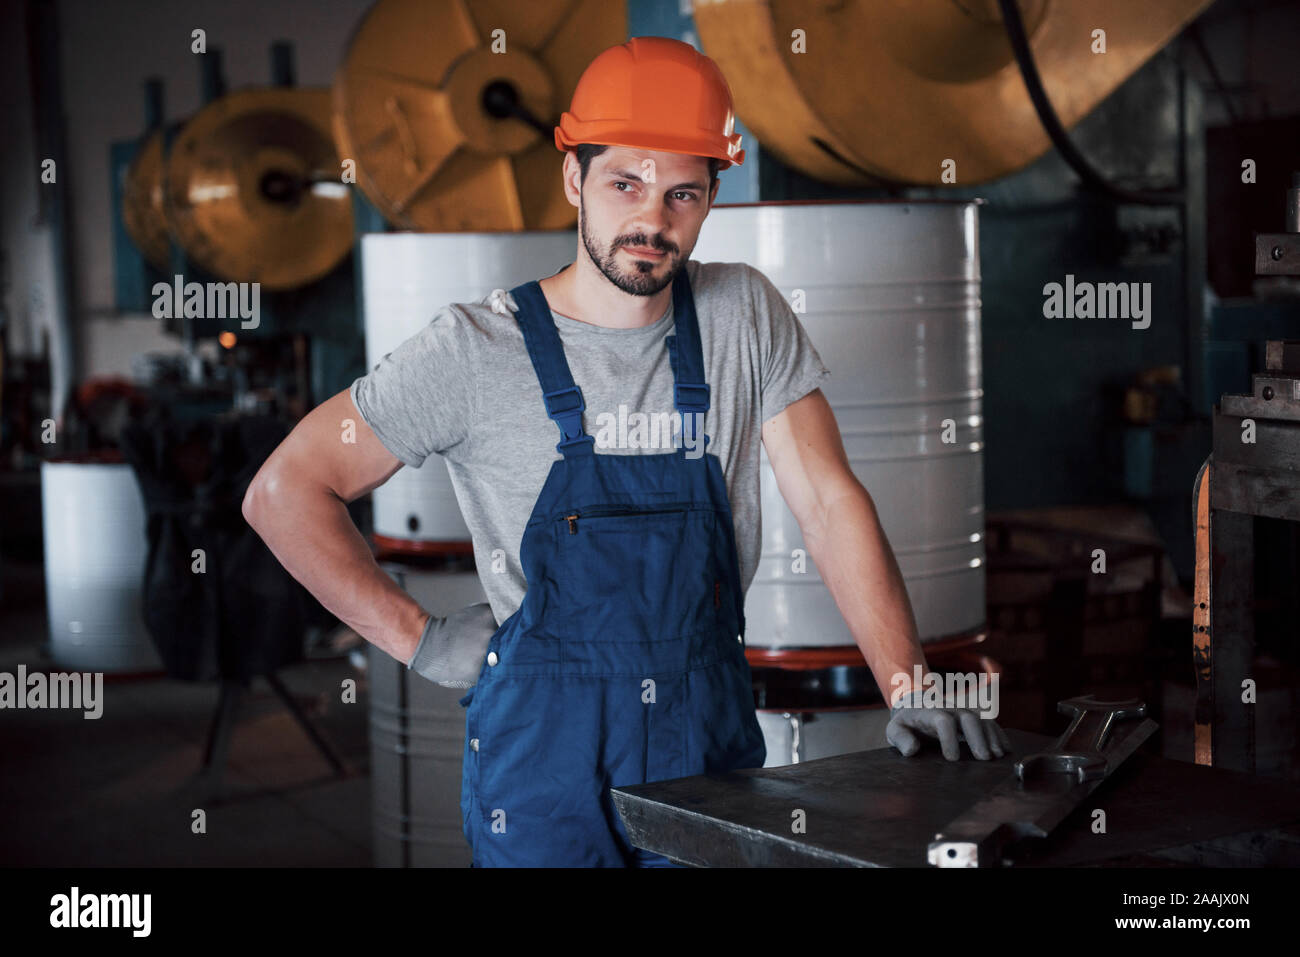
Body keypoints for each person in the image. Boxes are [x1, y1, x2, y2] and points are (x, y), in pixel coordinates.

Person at [243, 36, 1008, 868]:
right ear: (574, 177)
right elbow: (285, 489)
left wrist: (909, 682)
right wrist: (414, 635)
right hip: (542, 769)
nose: (652, 218)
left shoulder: (741, 315)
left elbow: (827, 499)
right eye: (624, 182)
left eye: (683, 191)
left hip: (701, 751)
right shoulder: (471, 351)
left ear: (714, 193)